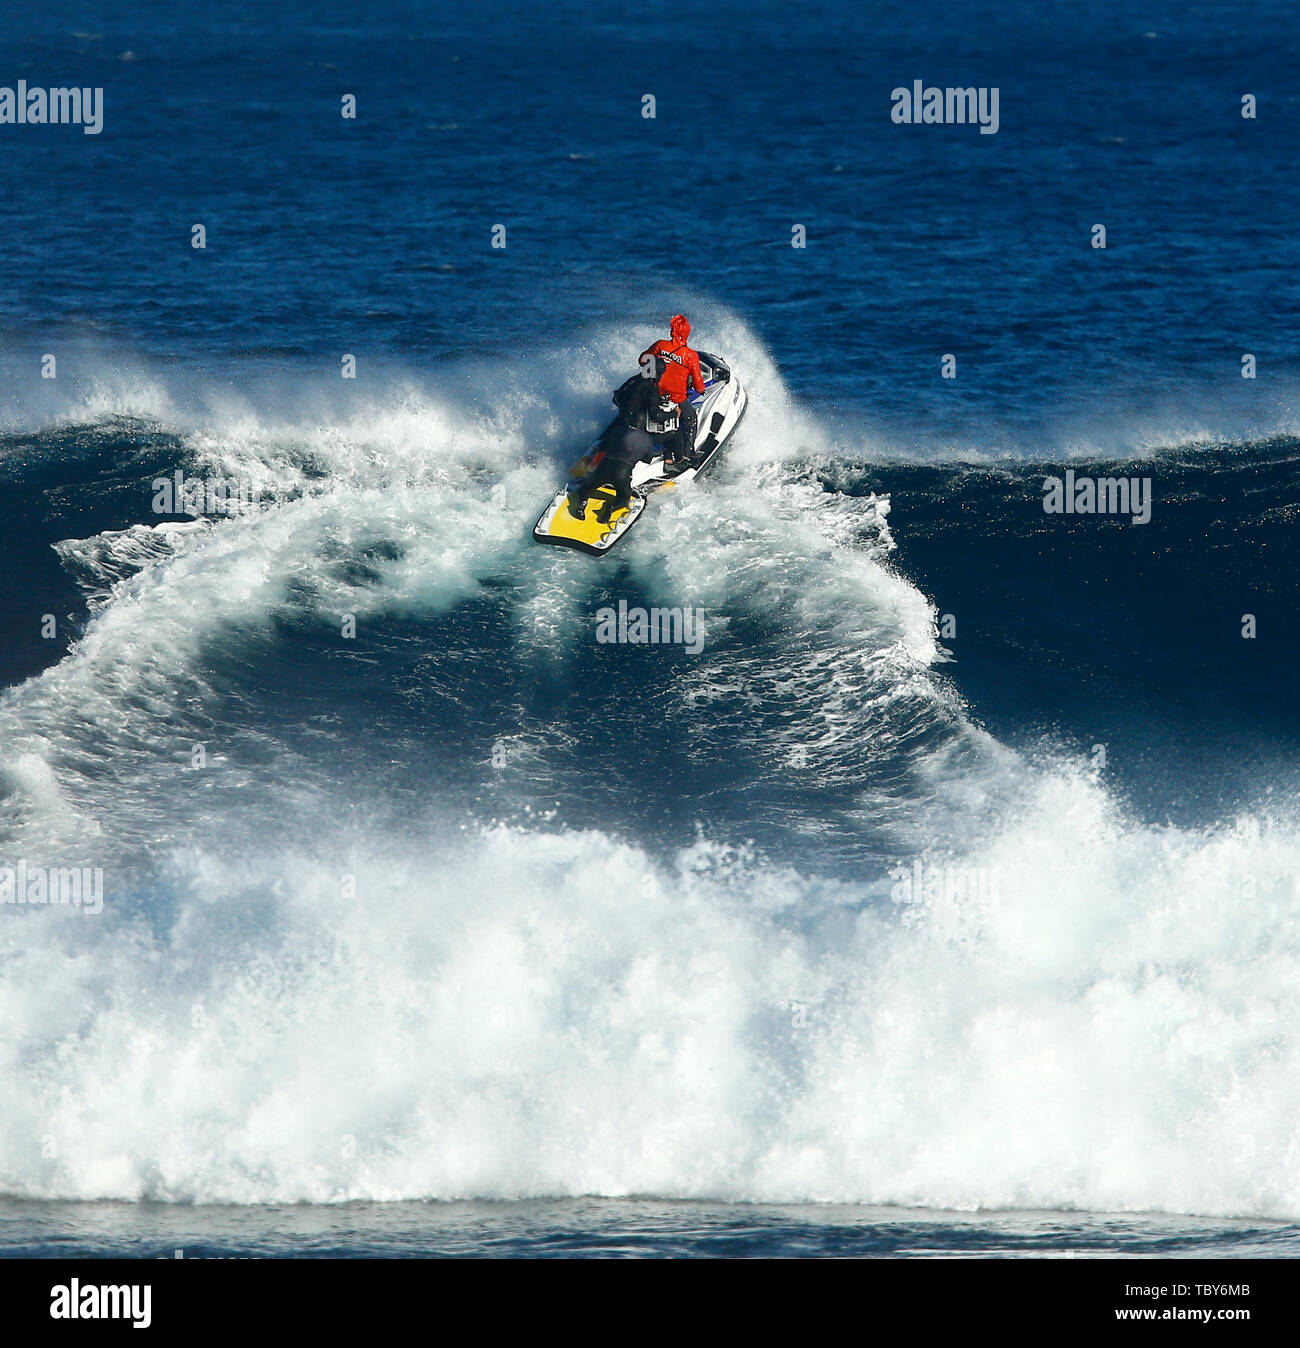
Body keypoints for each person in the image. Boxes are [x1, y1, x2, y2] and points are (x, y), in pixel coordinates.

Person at [567, 373, 671, 523]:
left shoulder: (617, 431)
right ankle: (610, 508)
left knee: (584, 489)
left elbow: (603, 445)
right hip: (622, 473)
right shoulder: (647, 439)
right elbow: (647, 460)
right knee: (623, 500)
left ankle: (581, 505)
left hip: (603, 468)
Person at [640, 314, 705, 464]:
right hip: (676, 398)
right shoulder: (690, 355)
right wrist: (700, 389)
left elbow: (642, 360)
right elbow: (698, 383)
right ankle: (687, 456)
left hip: (654, 394)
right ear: (686, 333)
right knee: (690, 418)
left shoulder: (660, 345)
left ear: (672, 331)